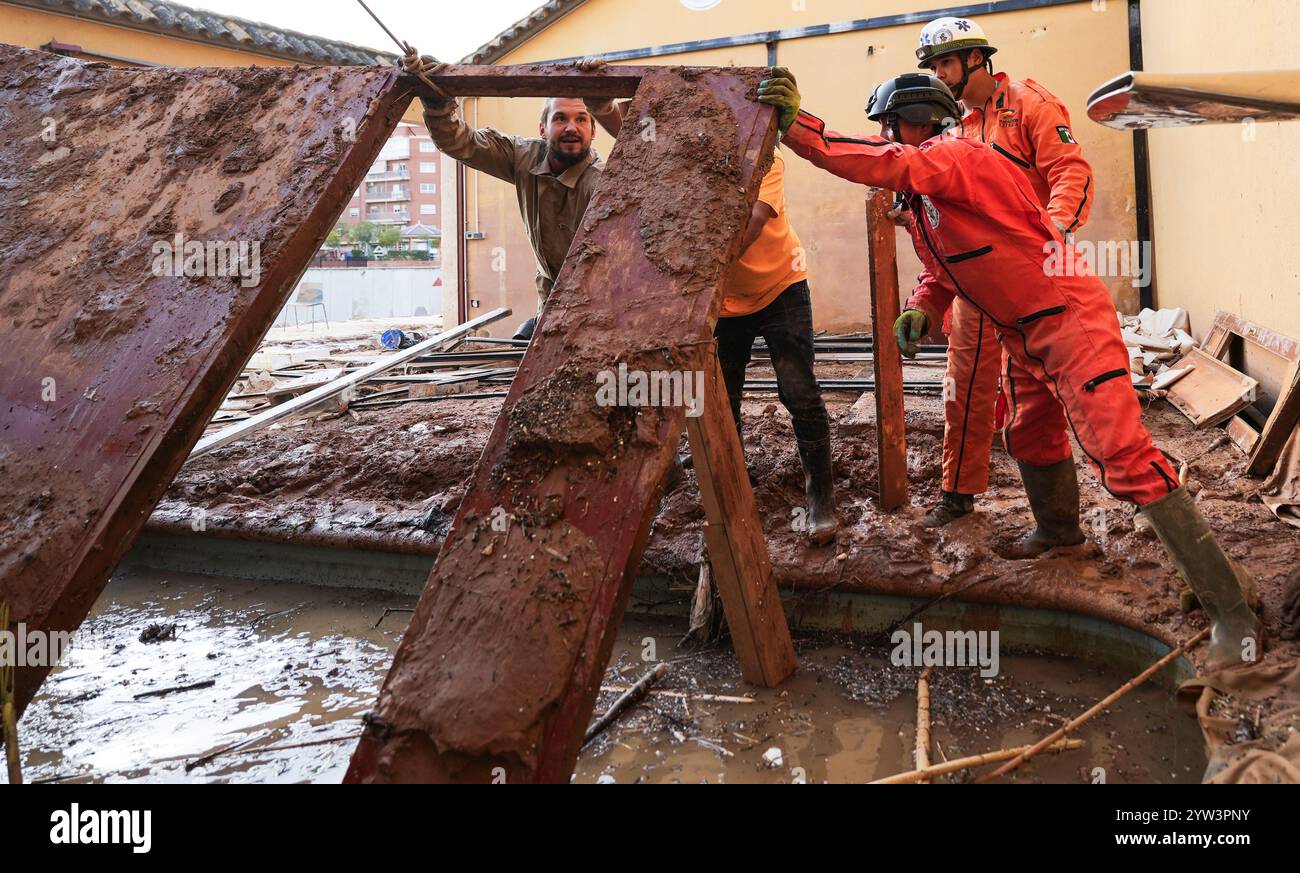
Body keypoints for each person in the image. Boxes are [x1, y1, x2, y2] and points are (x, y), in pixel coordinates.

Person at [756, 69, 1260, 670]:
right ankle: (1057, 535)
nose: (889, 136)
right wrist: (925, 307)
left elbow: (881, 162)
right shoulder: (929, 199)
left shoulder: (956, 156)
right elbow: (949, 267)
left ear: (918, 120)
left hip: (1067, 320)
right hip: (1024, 331)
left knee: (1119, 452)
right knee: (1029, 432)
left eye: (892, 125)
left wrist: (800, 127)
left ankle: (1232, 608)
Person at [584, 97, 837, 543]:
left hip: (779, 286)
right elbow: (638, 141)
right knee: (722, 400)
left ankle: (820, 493)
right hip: (721, 302)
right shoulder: (683, 162)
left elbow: (754, 221)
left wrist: (690, 269)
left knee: (798, 390)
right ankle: (732, 489)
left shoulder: (765, 159)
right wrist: (602, 107)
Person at [910, 16, 1096, 539]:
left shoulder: (1029, 104)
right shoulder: (952, 128)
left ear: (977, 60)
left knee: (1041, 394)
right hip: (979, 282)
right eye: (932, 66)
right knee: (963, 384)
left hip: (1037, 280)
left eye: (945, 62)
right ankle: (957, 494)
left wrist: (1051, 233)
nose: (939, 74)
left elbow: (1070, 172)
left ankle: (1060, 525)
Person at [404, 51, 603, 322]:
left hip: (602, 303)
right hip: (551, 299)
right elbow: (461, 142)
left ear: (594, 130)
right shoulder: (523, 157)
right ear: (542, 129)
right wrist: (437, 100)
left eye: (581, 119)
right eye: (560, 118)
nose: (571, 127)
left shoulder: (604, 183)